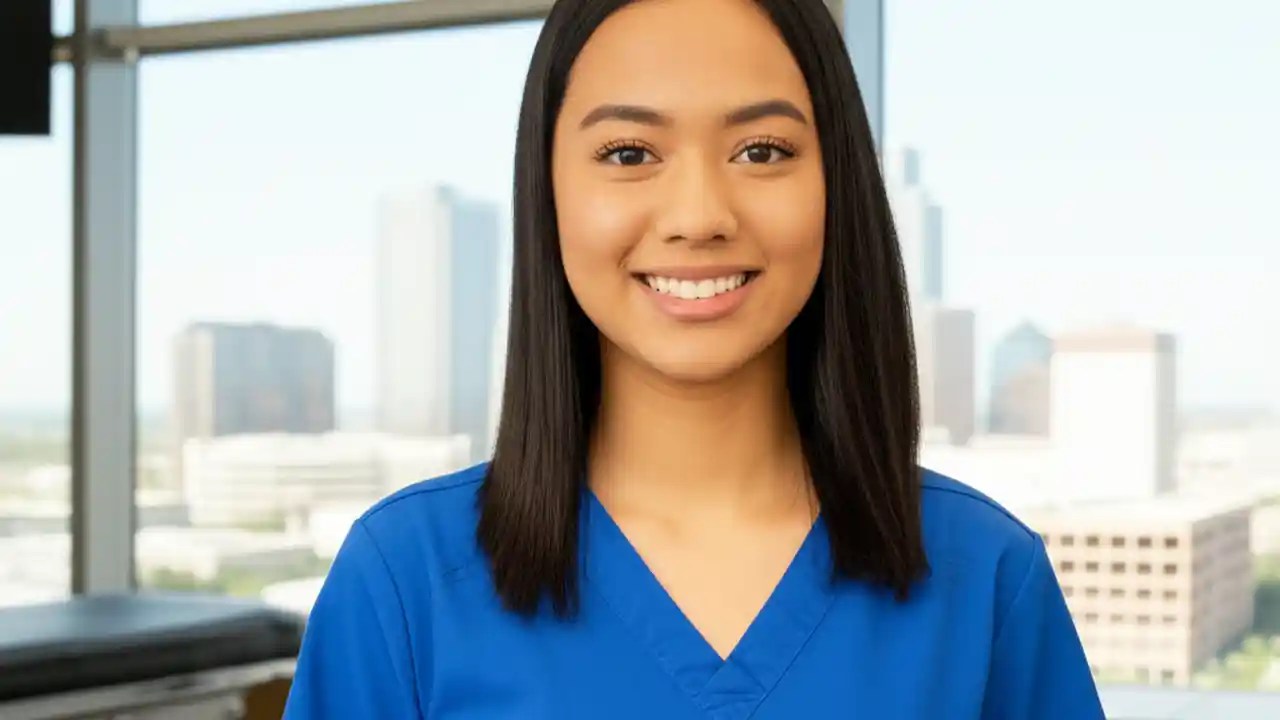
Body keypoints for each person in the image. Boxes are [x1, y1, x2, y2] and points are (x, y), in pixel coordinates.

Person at [284, 0, 1104, 717]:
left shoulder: (988, 579)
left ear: (838, 186)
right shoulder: (403, 584)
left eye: (762, 151)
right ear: (549, 191)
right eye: (630, 153)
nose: (699, 215)